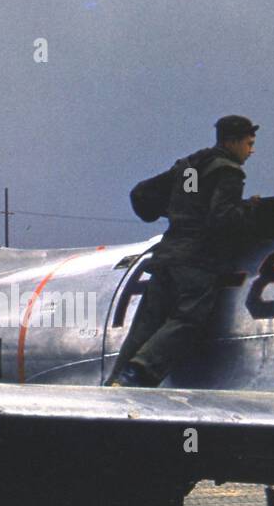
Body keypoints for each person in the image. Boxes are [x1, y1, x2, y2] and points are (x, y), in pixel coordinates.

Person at [106, 115, 262, 387]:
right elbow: (222, 217)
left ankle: (117, 381)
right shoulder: (228, 171)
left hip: (167, 254)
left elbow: (141, 195)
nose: (251, 150)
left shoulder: (189, 166)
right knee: (189, 319)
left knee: (146, 323)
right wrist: (250, 209)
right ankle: (141, 372)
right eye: (248, 143)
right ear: (232, 141)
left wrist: (174, 212)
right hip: (197, 260)